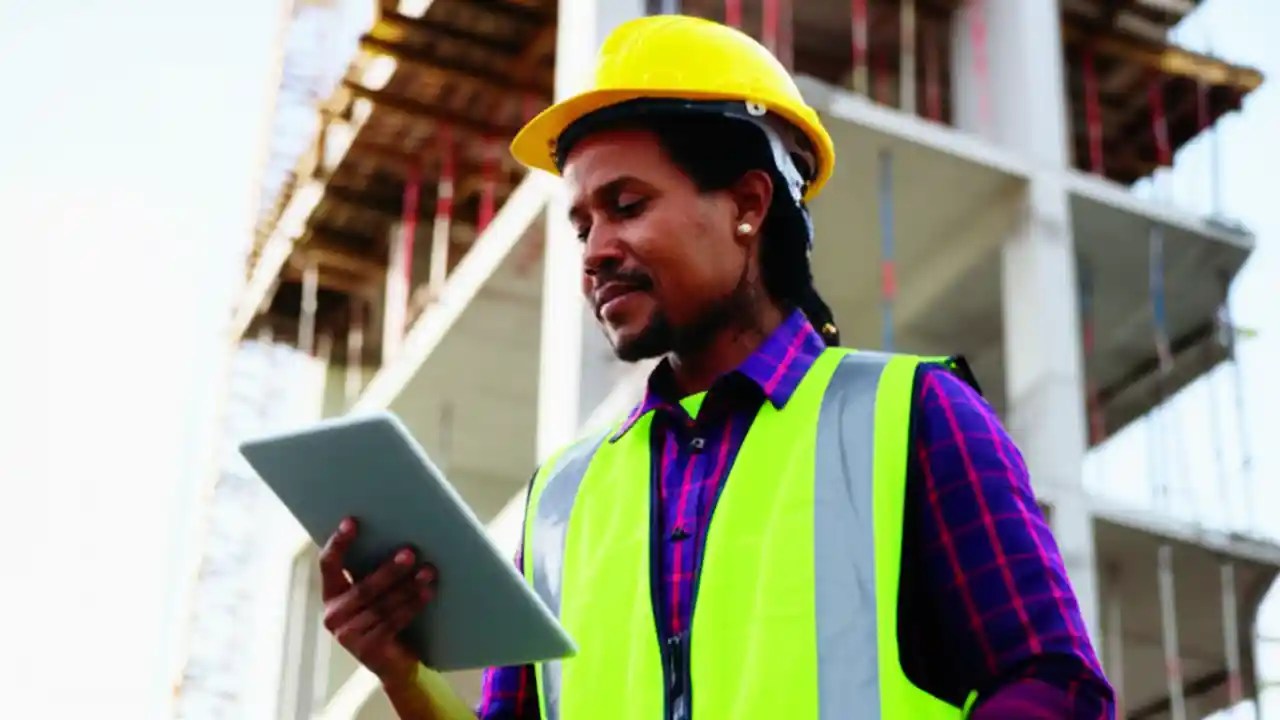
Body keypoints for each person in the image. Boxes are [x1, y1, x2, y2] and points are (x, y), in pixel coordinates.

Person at [317, 14, 1115, 720]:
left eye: (628, 207)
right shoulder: (559, 501)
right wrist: (405, 677)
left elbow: (1055, 688)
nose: (595, 251)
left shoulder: (914, 417)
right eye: (582, 223)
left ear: (749, 204)